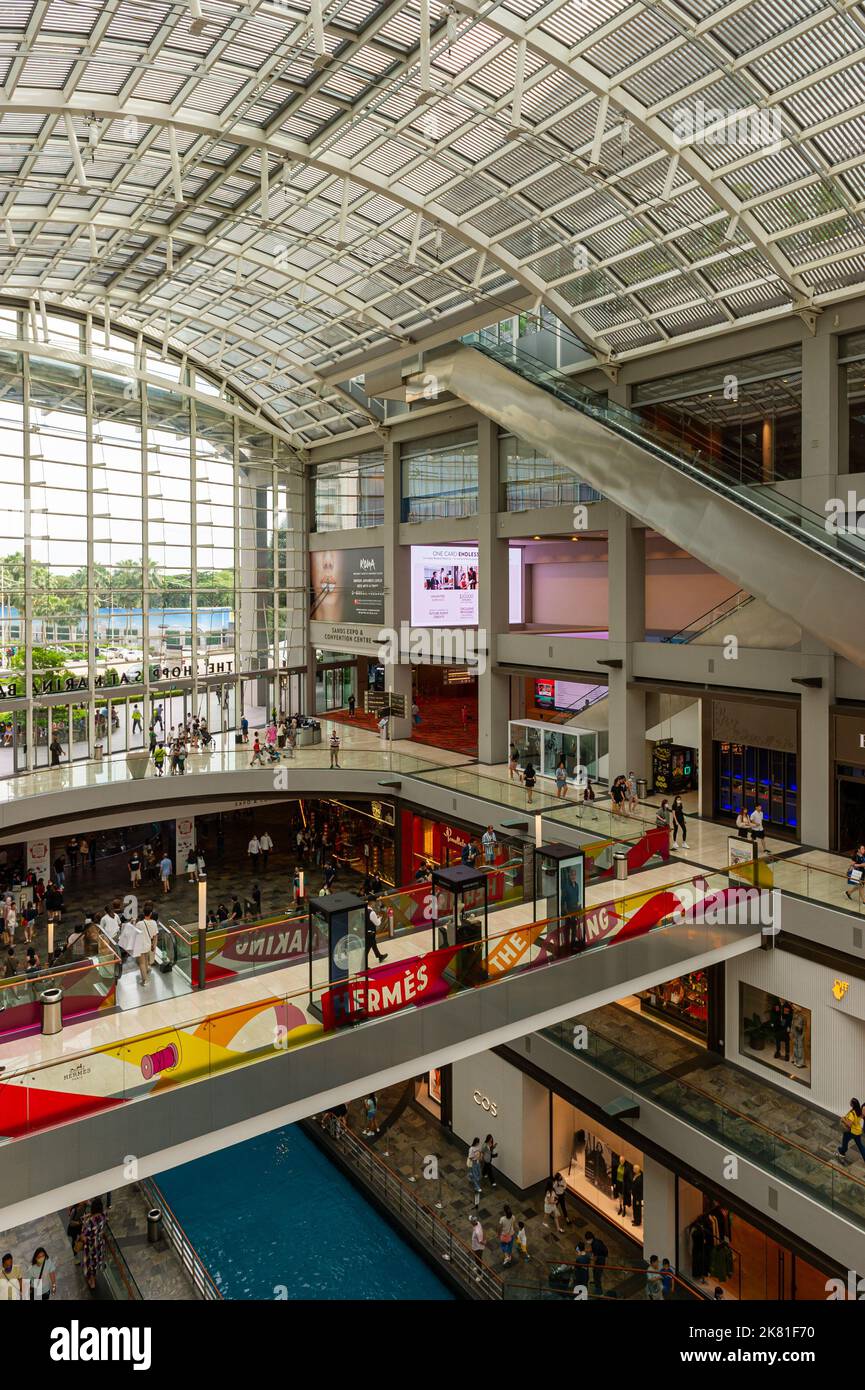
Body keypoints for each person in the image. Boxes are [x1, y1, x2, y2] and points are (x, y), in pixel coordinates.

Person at [120, 905, 159, 986]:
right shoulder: (154, 923)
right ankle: (147, 969)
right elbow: (155, 936)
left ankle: (145, 980)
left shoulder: (139, 923)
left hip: (140, 946)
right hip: (148, 944)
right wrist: (154, 945)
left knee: (141, 963)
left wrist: (132, 922)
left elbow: (132, 929)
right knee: (146, 959)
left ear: (143, 913)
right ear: (151, 913)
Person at [82, 1198, 107, 1292]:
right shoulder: (103, 1216)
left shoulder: (90, 1222)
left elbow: (84, 1236)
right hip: (99, 1244)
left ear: (92, 1208)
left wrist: (84, 1221)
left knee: (90, 1263)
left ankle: (92, 1282)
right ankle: (94, 1277)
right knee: (96, 1261)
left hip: (90, 1246)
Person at [836, 1098, 865, 1164]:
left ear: (852, 1104)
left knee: (845, 1142)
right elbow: (862, 1116)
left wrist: (843, 1120)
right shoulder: (859, 1111)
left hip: (851, 1132)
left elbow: (849, 1124)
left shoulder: (852, 1113)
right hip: (858, 1131)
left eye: (850, 1102)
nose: (849, 1103)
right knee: (860, 1146)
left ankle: (842, 1151)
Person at [365, 900, 388, 965]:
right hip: (371, 933)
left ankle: (380, 956)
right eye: (374, 902)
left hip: (366, 932)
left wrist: (375, 917)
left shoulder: (364, 909)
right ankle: (364, 965)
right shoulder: (372, 912)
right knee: (367, 949)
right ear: (371, 903)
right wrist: (380, 918)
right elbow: (377, 923)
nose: (375, 904)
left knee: (373, 944)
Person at [770, 996, 793, 1060]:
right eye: (780, 998)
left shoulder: (788, 1006)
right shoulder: (776, 1004)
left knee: (786, 1040)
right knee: (777, 1039)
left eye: (783, 998)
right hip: (777, 1024)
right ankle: (778, 1052)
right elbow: (772, 1013)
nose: (781, 999)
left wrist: (789, 1026)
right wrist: (772, 1022)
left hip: (785, 1025)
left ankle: (787, 1054)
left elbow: (790, 1018)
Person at [586, 1229, 608, 1295]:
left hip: (600, 1262)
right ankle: (595, 1281)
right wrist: (588, 1251)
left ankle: (599, 1291)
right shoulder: (596, 1241)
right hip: (600, 1259)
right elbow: (592, 1250)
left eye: (587, 1240)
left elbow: (595, 1258)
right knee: (594, 1271)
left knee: (597, 1276)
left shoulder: (596, 1245)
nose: (587, 1241)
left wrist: (589, 1257)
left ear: (591, 1239)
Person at [467, 1138, 482, 1208]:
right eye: (478, 1142)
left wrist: (479, 1156)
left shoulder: (478, 1147)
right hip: (474, 1162)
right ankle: (477, 1187)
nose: (478, 1143)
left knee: (479, 1174)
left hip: (478, 1162)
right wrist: (475, 1157)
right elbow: (470, 1157)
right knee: (475, 1175)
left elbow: (480, 1153)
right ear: (476, 1142)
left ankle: (470, 1176)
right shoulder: (471, 1149)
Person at [470, 1216, 485, 1281]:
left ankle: (480, 1274)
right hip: (476, 1246)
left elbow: (480, 1241)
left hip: (478, 1248)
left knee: (478, 1260)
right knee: (476, 1258)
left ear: (473, 1222)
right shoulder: (478, 1223)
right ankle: (477, 1267)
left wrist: (484, 1243)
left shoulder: (477, 1232)